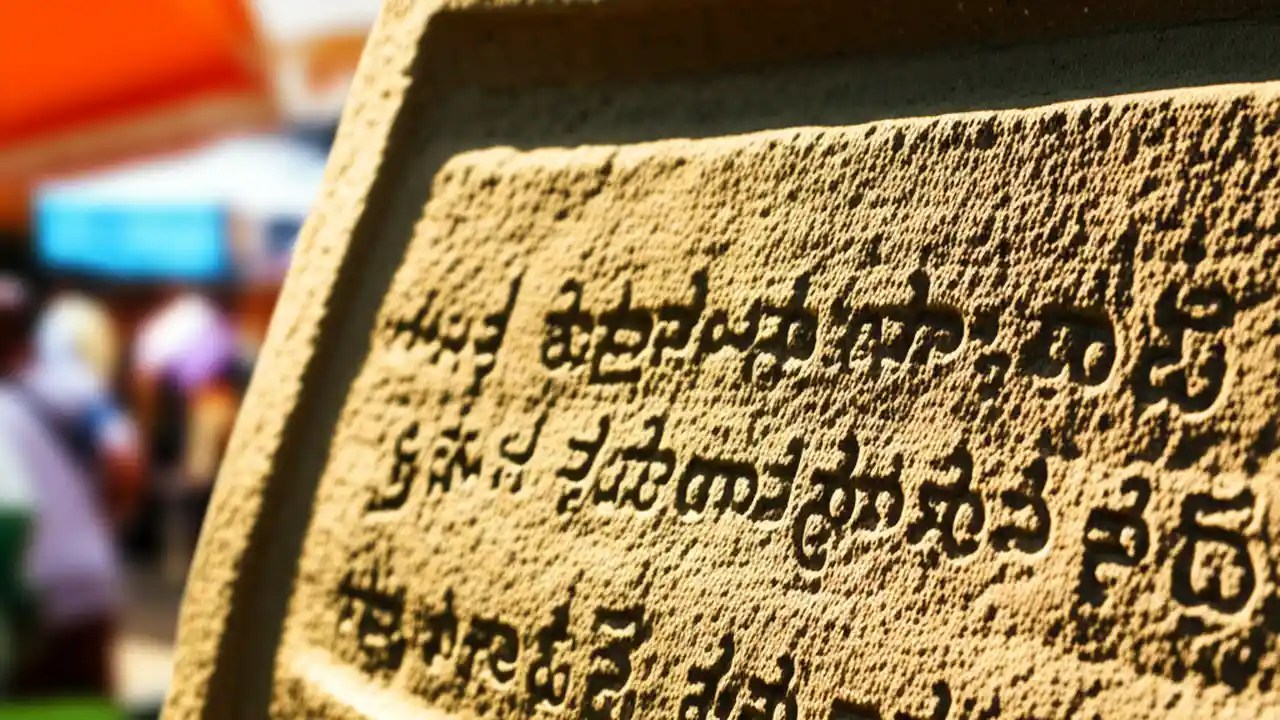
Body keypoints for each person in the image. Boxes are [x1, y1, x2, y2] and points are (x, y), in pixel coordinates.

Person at [0, 287, 141, 698]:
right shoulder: (72, 385)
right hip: (84, 578)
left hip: (27, 588)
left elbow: (124, 465)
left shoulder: (60, 388)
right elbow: (125, 463)